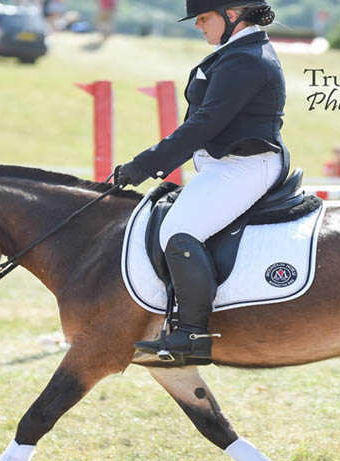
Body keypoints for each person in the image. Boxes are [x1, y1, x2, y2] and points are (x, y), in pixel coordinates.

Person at [112, 0, 284, 361]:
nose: (198, 26)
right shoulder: (236, 52)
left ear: (232, 15)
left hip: (245, 166)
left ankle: (192, 333)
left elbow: (205, 123)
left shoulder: (246, 59)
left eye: (203, 18)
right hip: (225, 165)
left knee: (179, 231)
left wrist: (144, 164)